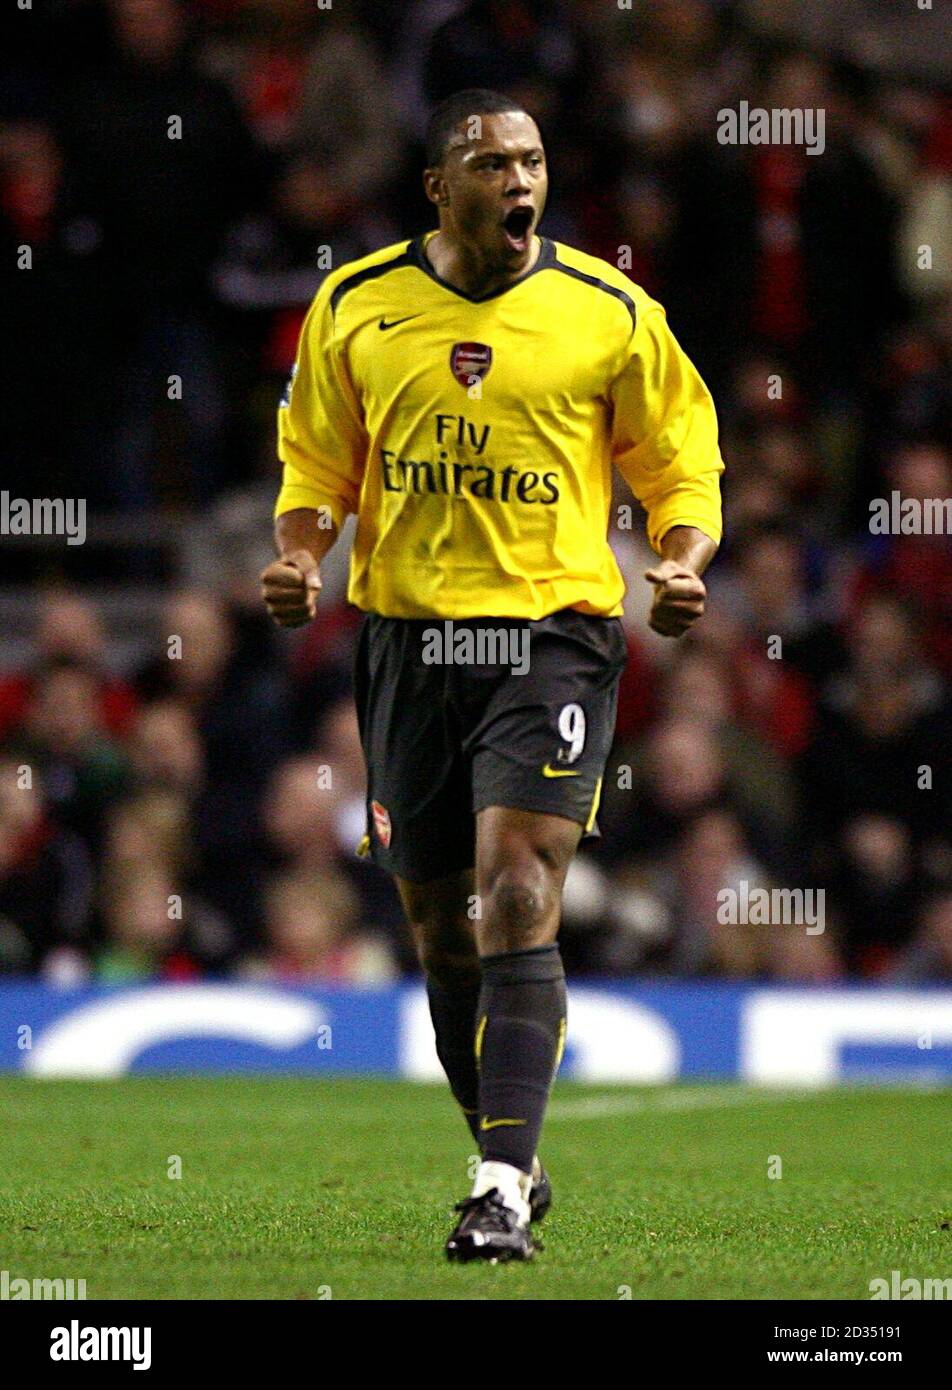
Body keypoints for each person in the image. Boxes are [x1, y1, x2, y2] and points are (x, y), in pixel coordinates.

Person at [260, 89, 724, 1262]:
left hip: (548, 634)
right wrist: (299, 554)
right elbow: (317, 460)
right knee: (437, 923)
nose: (518, 182)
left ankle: (499, 1189)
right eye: (491, 164)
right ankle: (506, 1148)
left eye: (532, 161)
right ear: (438, 186)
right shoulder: (355, 304)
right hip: (407, 641)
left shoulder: (608, 311)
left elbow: (683, 460)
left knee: (516, 879)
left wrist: (678, 562)